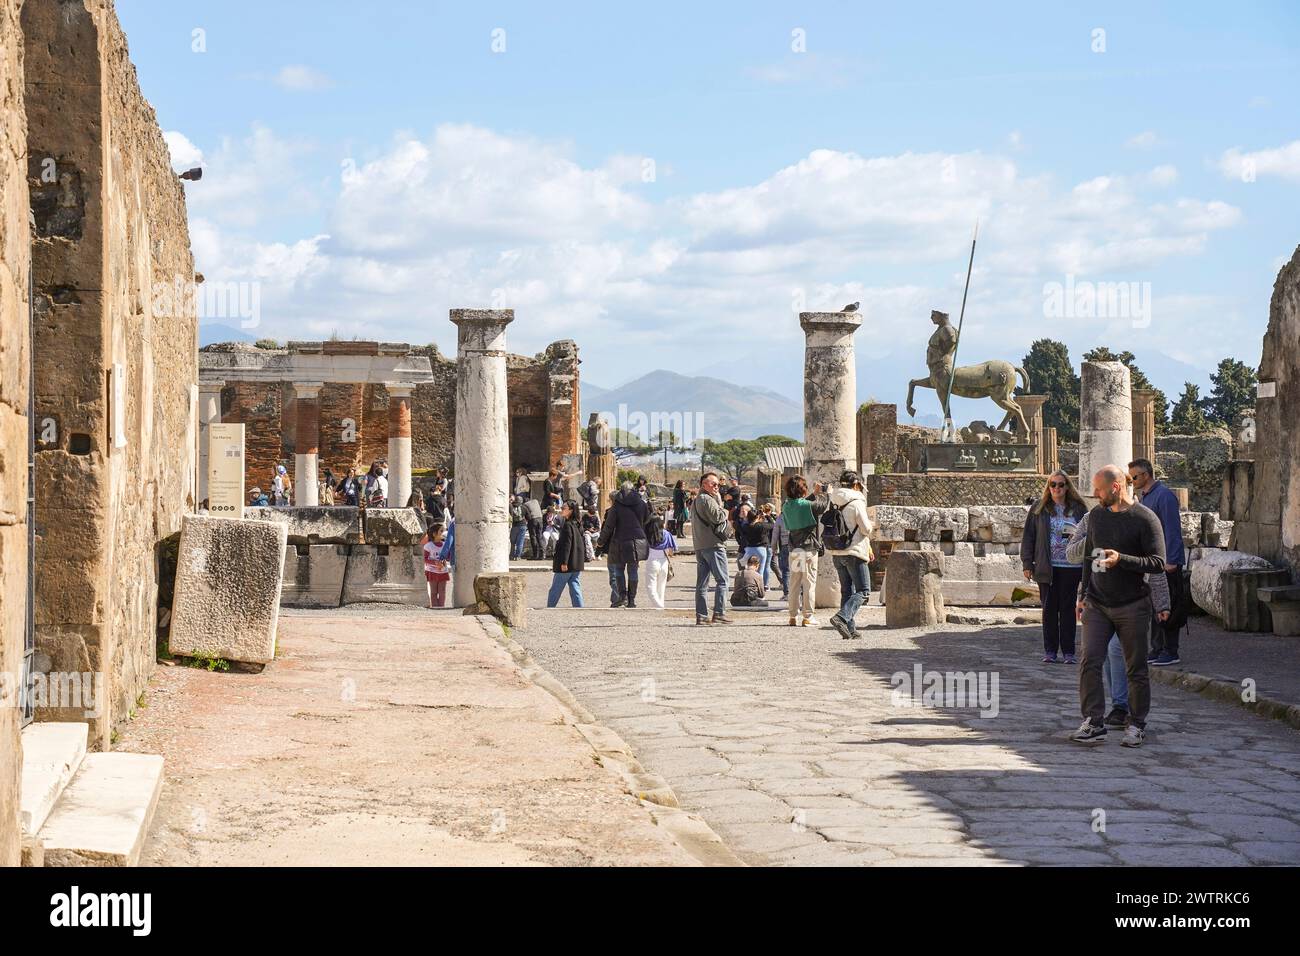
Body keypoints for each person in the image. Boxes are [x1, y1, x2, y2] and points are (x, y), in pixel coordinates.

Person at [1070, 464, 1166, 748]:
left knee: (1135, 668)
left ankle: (1136, 724)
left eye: (1099, 490)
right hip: (1097, 602)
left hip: (1132, 604)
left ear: (1115, 488)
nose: (1095, 495)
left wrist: (1121, 559)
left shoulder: (1145, 519)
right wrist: (1083, 594)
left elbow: (1158, 563)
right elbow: (1090, 556)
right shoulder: (1096, 516)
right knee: (1089, 662)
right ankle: (1093, 722)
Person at [1021, 470, 1088, 663]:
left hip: (1071, 566)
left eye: (1060, 484)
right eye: (1053, 484)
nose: (1057, 488)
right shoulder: (1039, 508)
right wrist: (1027, 562)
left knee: (1068, 609)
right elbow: (1029, 537)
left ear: (1067, 487)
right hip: (1046, 566)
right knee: (1049, 609)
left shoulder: (1079, 509)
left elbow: (1088, 535)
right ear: (1048, 487)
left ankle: (1069, 652)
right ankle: (1050, 650)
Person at [1128, 459, 1187, 666]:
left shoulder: (1164, 496)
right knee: (1155, 607)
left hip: (1166, 562)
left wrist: (1171, 560)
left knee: (1169, 606)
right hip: (1152, 562)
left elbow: (1172, 530)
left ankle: (1171, 650)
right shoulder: (1145, 498)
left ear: (1146, 475)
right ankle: (1157, 648)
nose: (1132, 480)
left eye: (1134, 477)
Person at [825, 471, 874, 640]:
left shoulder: (832, 501)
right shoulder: (857, 501)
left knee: (847, 591)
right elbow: (866, 529)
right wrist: (872, 525)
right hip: (854, 551)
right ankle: (841, 617)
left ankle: (850, 629)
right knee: (864, 591)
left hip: (837, 551)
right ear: (855, 485)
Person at [782, 475, 828, 626]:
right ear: (802, 490)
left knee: (794, 583)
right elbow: (820, 506)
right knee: (809, 583)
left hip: (794, 549)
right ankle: (808, 616)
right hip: (808, 549)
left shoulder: (787, 505)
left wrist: (814, 494)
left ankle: (792, 616)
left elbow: (802, 503)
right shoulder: (805, 505)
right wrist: (825, 494)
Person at [595, 480, 650, 607]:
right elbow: (647, 520)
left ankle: (623, 597)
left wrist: (600, 543)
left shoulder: (617, 506)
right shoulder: (642, 504)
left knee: (619, 570)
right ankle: (632, 600)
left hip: (620, 541)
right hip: (637, 541)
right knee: (633, 571)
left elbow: (608, 527)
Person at [691, 472, 732, 625]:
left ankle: (701, 615)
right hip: (713, 545)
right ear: (704, 485)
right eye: (713, 484)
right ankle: (719, 613)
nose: (717, 486)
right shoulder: (707, 499)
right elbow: (719, 517)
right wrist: (723, 507)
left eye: (718, 484)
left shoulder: (697, 500)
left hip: (700, 545)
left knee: (702, 582)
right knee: (723, 580)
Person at [547, 502, 586, 608]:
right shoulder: (578, 524)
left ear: (571, 510)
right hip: (576, 562)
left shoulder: (568, 525)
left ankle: (550, 607)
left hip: (567, 563)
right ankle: (579, 607)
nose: (561, 509)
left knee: (555, 588)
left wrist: (564, 562)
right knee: (575, 587)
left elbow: (566, 545)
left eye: (564, 508)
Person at [644, 512, 678, 609]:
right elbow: (671, 552)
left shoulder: (648, 534)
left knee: (650, 586)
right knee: (661, 587)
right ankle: (660, 605)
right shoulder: (667, 534)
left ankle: (659, 605)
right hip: (664, 561)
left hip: (652, 560)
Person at [740, 503, 775, 587]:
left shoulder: (745, 526)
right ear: (757, 517)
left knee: (748, 569)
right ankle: (760, 589)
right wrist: (767, 516)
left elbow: (742, 527)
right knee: (761, 571)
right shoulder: (762, 526)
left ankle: (748, 585)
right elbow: (772, 524)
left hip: (748, 549)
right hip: (760, 549)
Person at [423, 524, 451, 608]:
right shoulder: (428, 546)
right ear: (434, 534)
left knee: (442, 591)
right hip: (432, 571)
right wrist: (435, 562)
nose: (444, 532)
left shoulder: (445, 545)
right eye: (441, 531)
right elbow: (425, 559)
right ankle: (435, 608)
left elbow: (448, 557)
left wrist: (447, 557)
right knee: (434, 591)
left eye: (444, 530)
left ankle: (441, 607)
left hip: (443, 571)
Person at [769, 504, 791, 599]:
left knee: (785, 570)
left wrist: (773, 548)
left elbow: (775, 535)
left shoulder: (780, 518)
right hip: (797, 545)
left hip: (785, 545)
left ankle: (787, 593)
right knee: (798, 570)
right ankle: (799, 593)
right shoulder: (797, 515)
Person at [523, 495, 545, 559]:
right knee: (539, 536)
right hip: (540, 519)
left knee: (533, 536)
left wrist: (527, 521)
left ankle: (535, 555)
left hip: (533, 520)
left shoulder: (525, 505)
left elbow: (527, 515)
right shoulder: (536, 501)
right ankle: (543, 554)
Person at [509, 494, 528, 560]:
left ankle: (511, 556)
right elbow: (529, 517)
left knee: (513, 542)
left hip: (514, 526)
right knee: (520, 542)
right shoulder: (524, 507)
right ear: (521, 501)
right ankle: (518, 556)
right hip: (523, 526)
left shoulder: (511, 506)